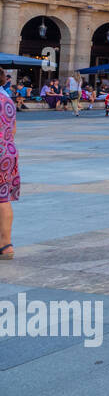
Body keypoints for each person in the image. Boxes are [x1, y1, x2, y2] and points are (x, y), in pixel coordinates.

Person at [0, 72, 19, 260]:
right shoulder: (7, 101)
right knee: (2, 197)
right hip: (7, 152)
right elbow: (12, 130)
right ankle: (6, 246)